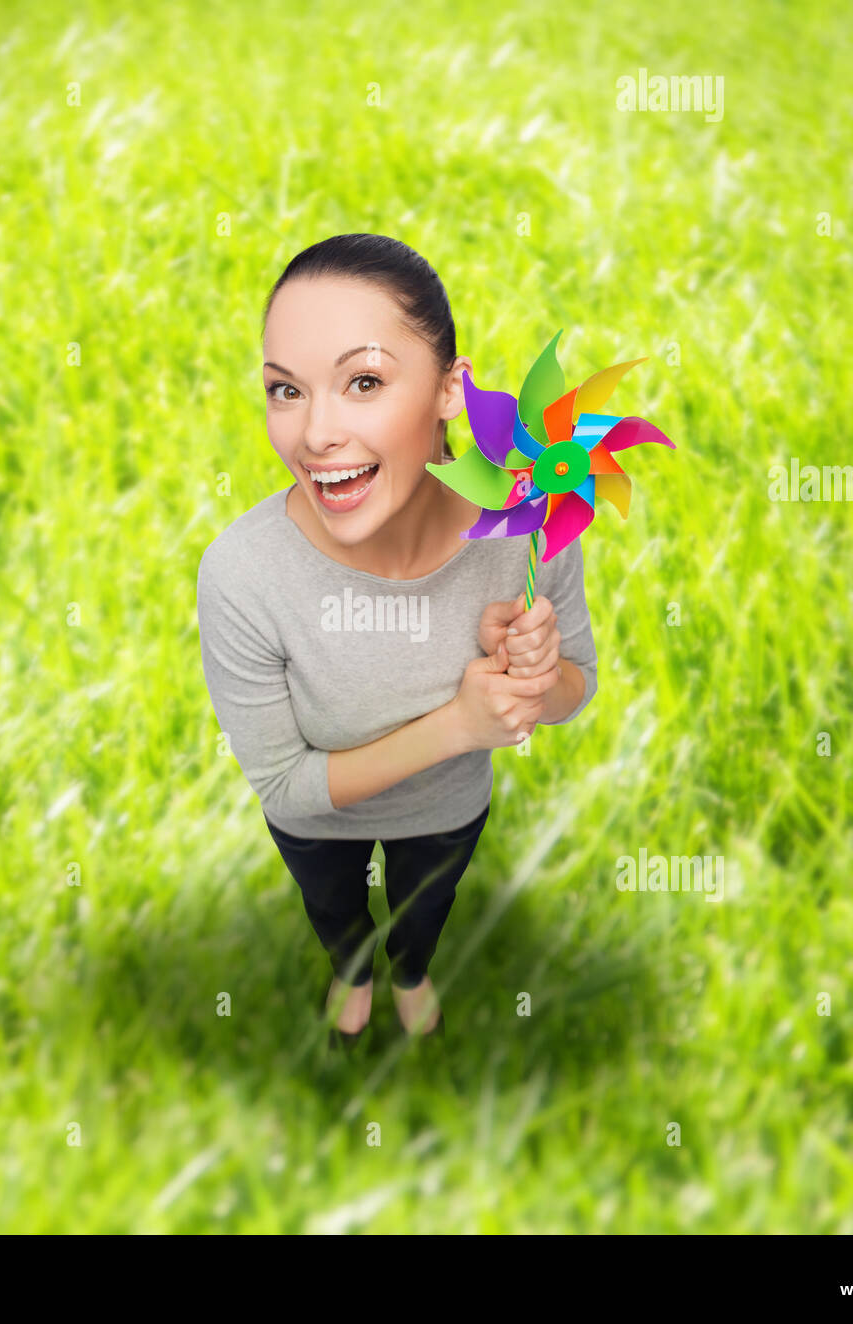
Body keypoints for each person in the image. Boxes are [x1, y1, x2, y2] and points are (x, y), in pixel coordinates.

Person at [196, 234, 597, 1043]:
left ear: (451, 389)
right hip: (319, 825)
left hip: (449, 810)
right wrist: (461, 726)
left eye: (365, 382)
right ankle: (351, 973)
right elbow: (285, 789)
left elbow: (573, 692)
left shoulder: (531, 529)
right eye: (286, 390)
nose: (315, 434)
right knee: (334, 909)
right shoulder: (241, 573)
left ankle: (410, 972)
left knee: (425, 909)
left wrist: (540, 676)